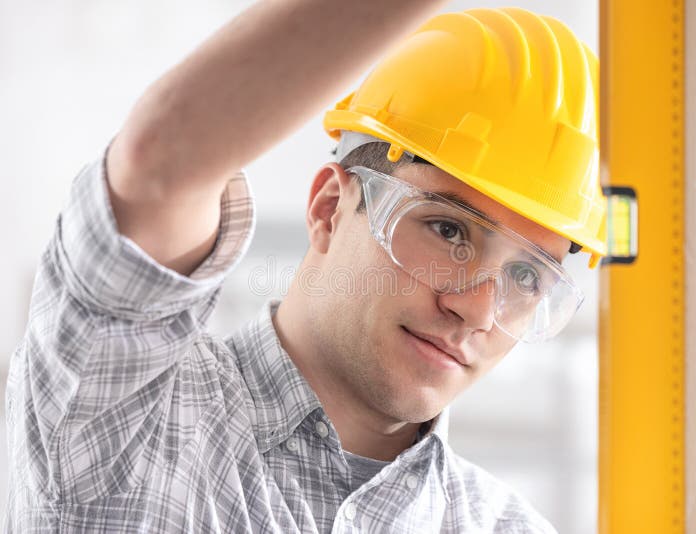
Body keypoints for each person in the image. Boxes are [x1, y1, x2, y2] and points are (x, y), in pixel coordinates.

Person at [4, 1, 605, 532]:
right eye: (448, 229)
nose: (475, 310)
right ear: (327, 208)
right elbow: (157, 164)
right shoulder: (133, 412)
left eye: (526, 277)